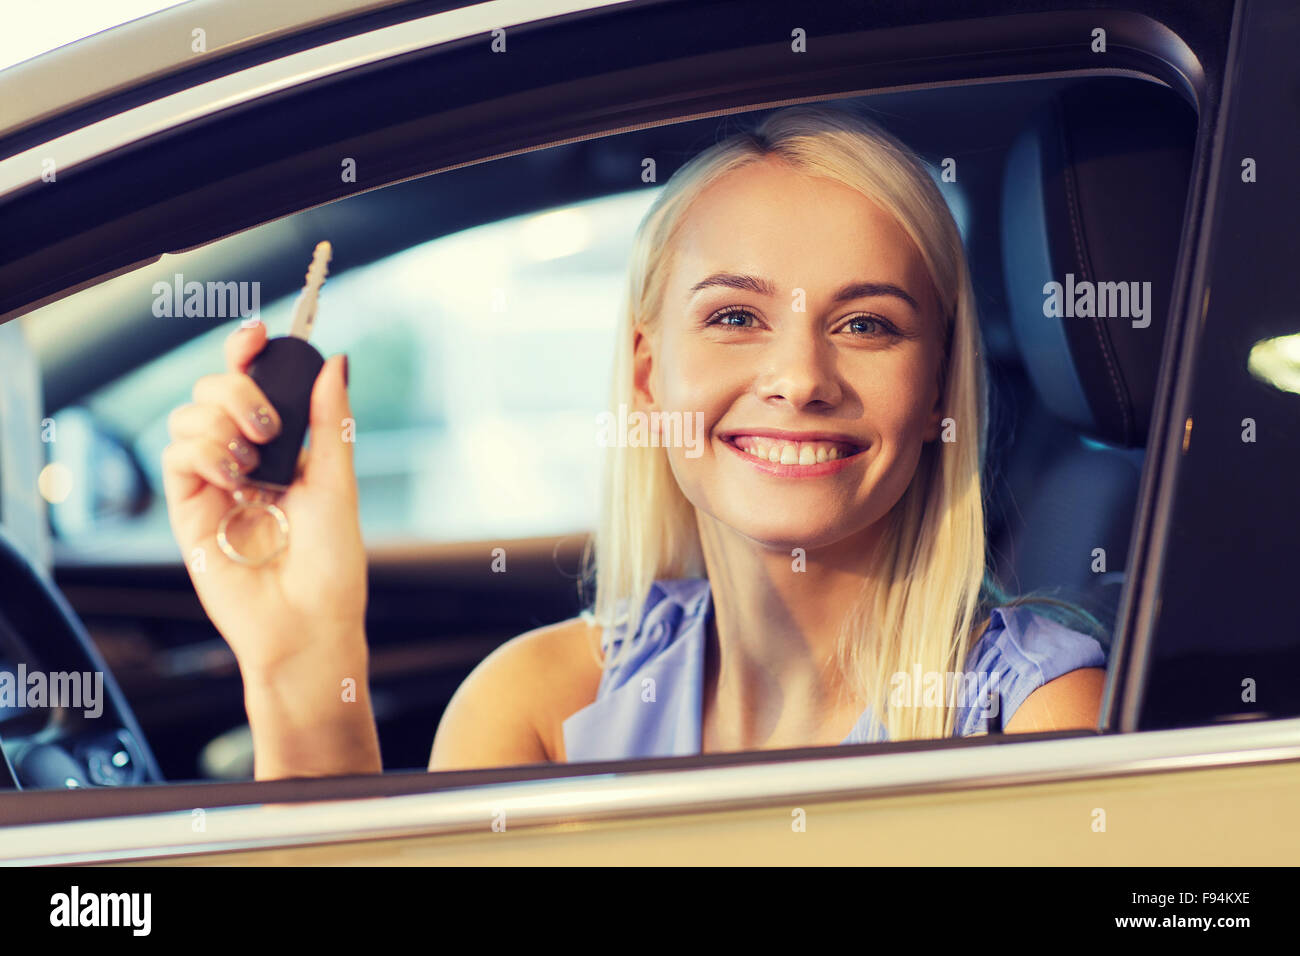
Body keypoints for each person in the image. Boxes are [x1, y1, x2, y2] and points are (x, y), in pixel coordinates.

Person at [161, 104, 1107, 779]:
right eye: (736, 316)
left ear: (938, 381)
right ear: (649, 376)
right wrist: (300, 659)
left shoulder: (1034, 720)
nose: (801, 378)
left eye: (867, 325)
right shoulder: (538, 707)